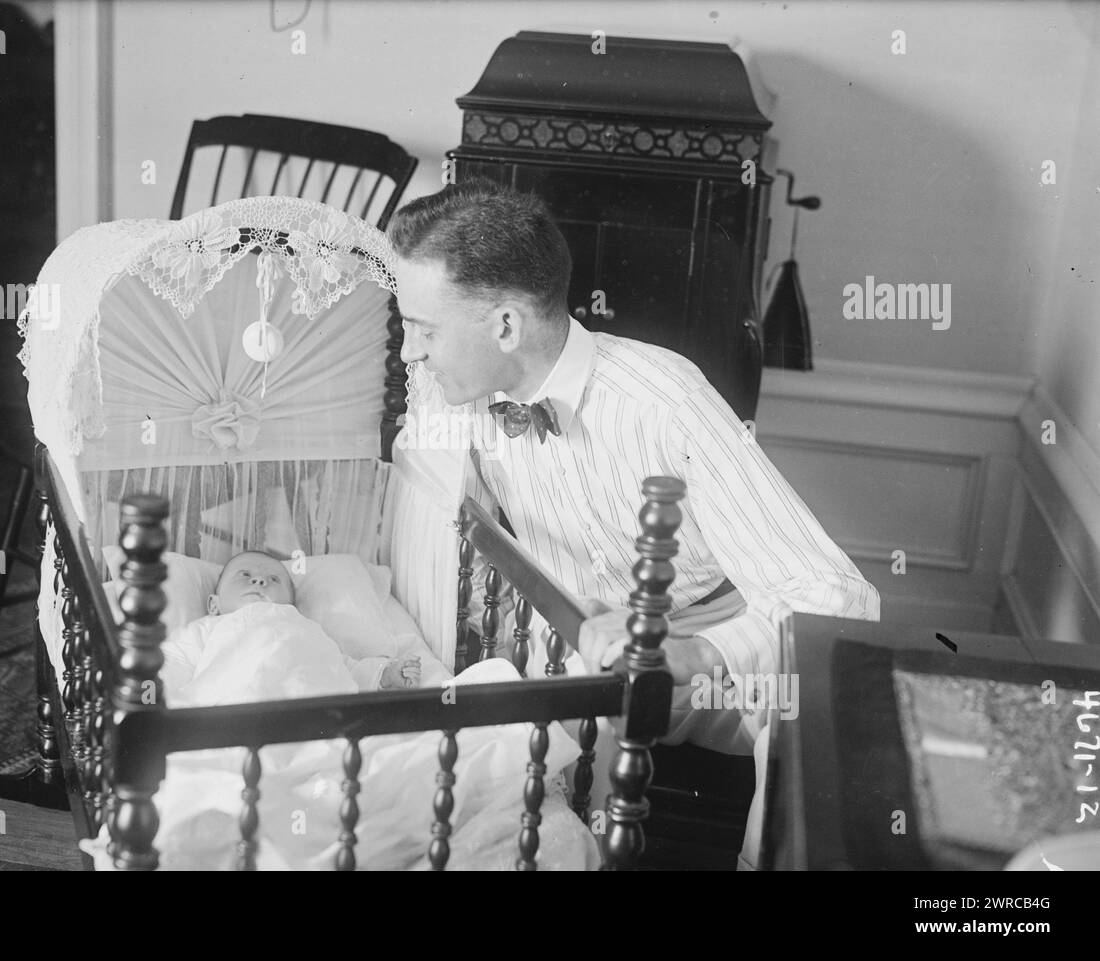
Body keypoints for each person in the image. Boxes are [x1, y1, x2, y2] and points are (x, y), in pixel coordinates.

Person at [387, 180, 880, 868]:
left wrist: (701, 655)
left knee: (803, 719)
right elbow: (430, 512)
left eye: (425, 329)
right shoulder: (462, 397)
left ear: (505, 326)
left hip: (716, 655)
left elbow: (841, 597)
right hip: (597, 653)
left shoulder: (665, 401)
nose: (410, 351)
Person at [158, 550, 421, 698]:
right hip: (239, 702)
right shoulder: (209, 627)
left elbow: (341, 666)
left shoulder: (303, 626)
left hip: (309, 702)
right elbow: (173, 662)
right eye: (245, 575)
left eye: (274, 579)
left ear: (291, 606)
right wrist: (148, 693)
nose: (260, 581)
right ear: (214, 605)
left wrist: (384, 675)